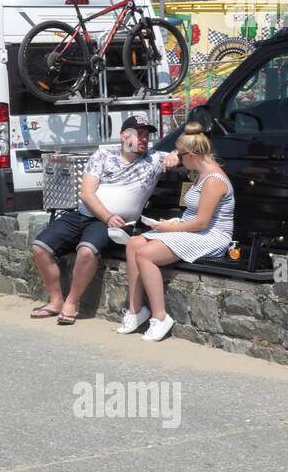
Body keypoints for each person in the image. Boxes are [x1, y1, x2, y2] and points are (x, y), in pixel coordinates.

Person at [30, 115, 179, 325]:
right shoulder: (104, 154)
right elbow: (86, 193)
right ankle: (55, 301)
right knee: (39, 247)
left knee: (87, 251)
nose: (144, 139)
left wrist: (175, 153)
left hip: (114, 224)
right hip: (87, 214)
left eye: (147, 135)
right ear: (124, 136)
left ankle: (71, 303)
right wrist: (107, 216)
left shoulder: (154, 158)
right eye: (139, 134)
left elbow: (189, 151)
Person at [121, 122, 236, 342]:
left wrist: (168, 229)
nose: (180, 162)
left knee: (146, 254)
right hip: (192, 231)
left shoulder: (213, 180)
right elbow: (193, 217)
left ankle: (160, 317)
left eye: (181, 157)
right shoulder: (199, 174)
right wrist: (172, 224)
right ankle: (136, 312)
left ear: (192, 155)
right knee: (134, 244)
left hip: (211, 237)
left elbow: (202, 223)